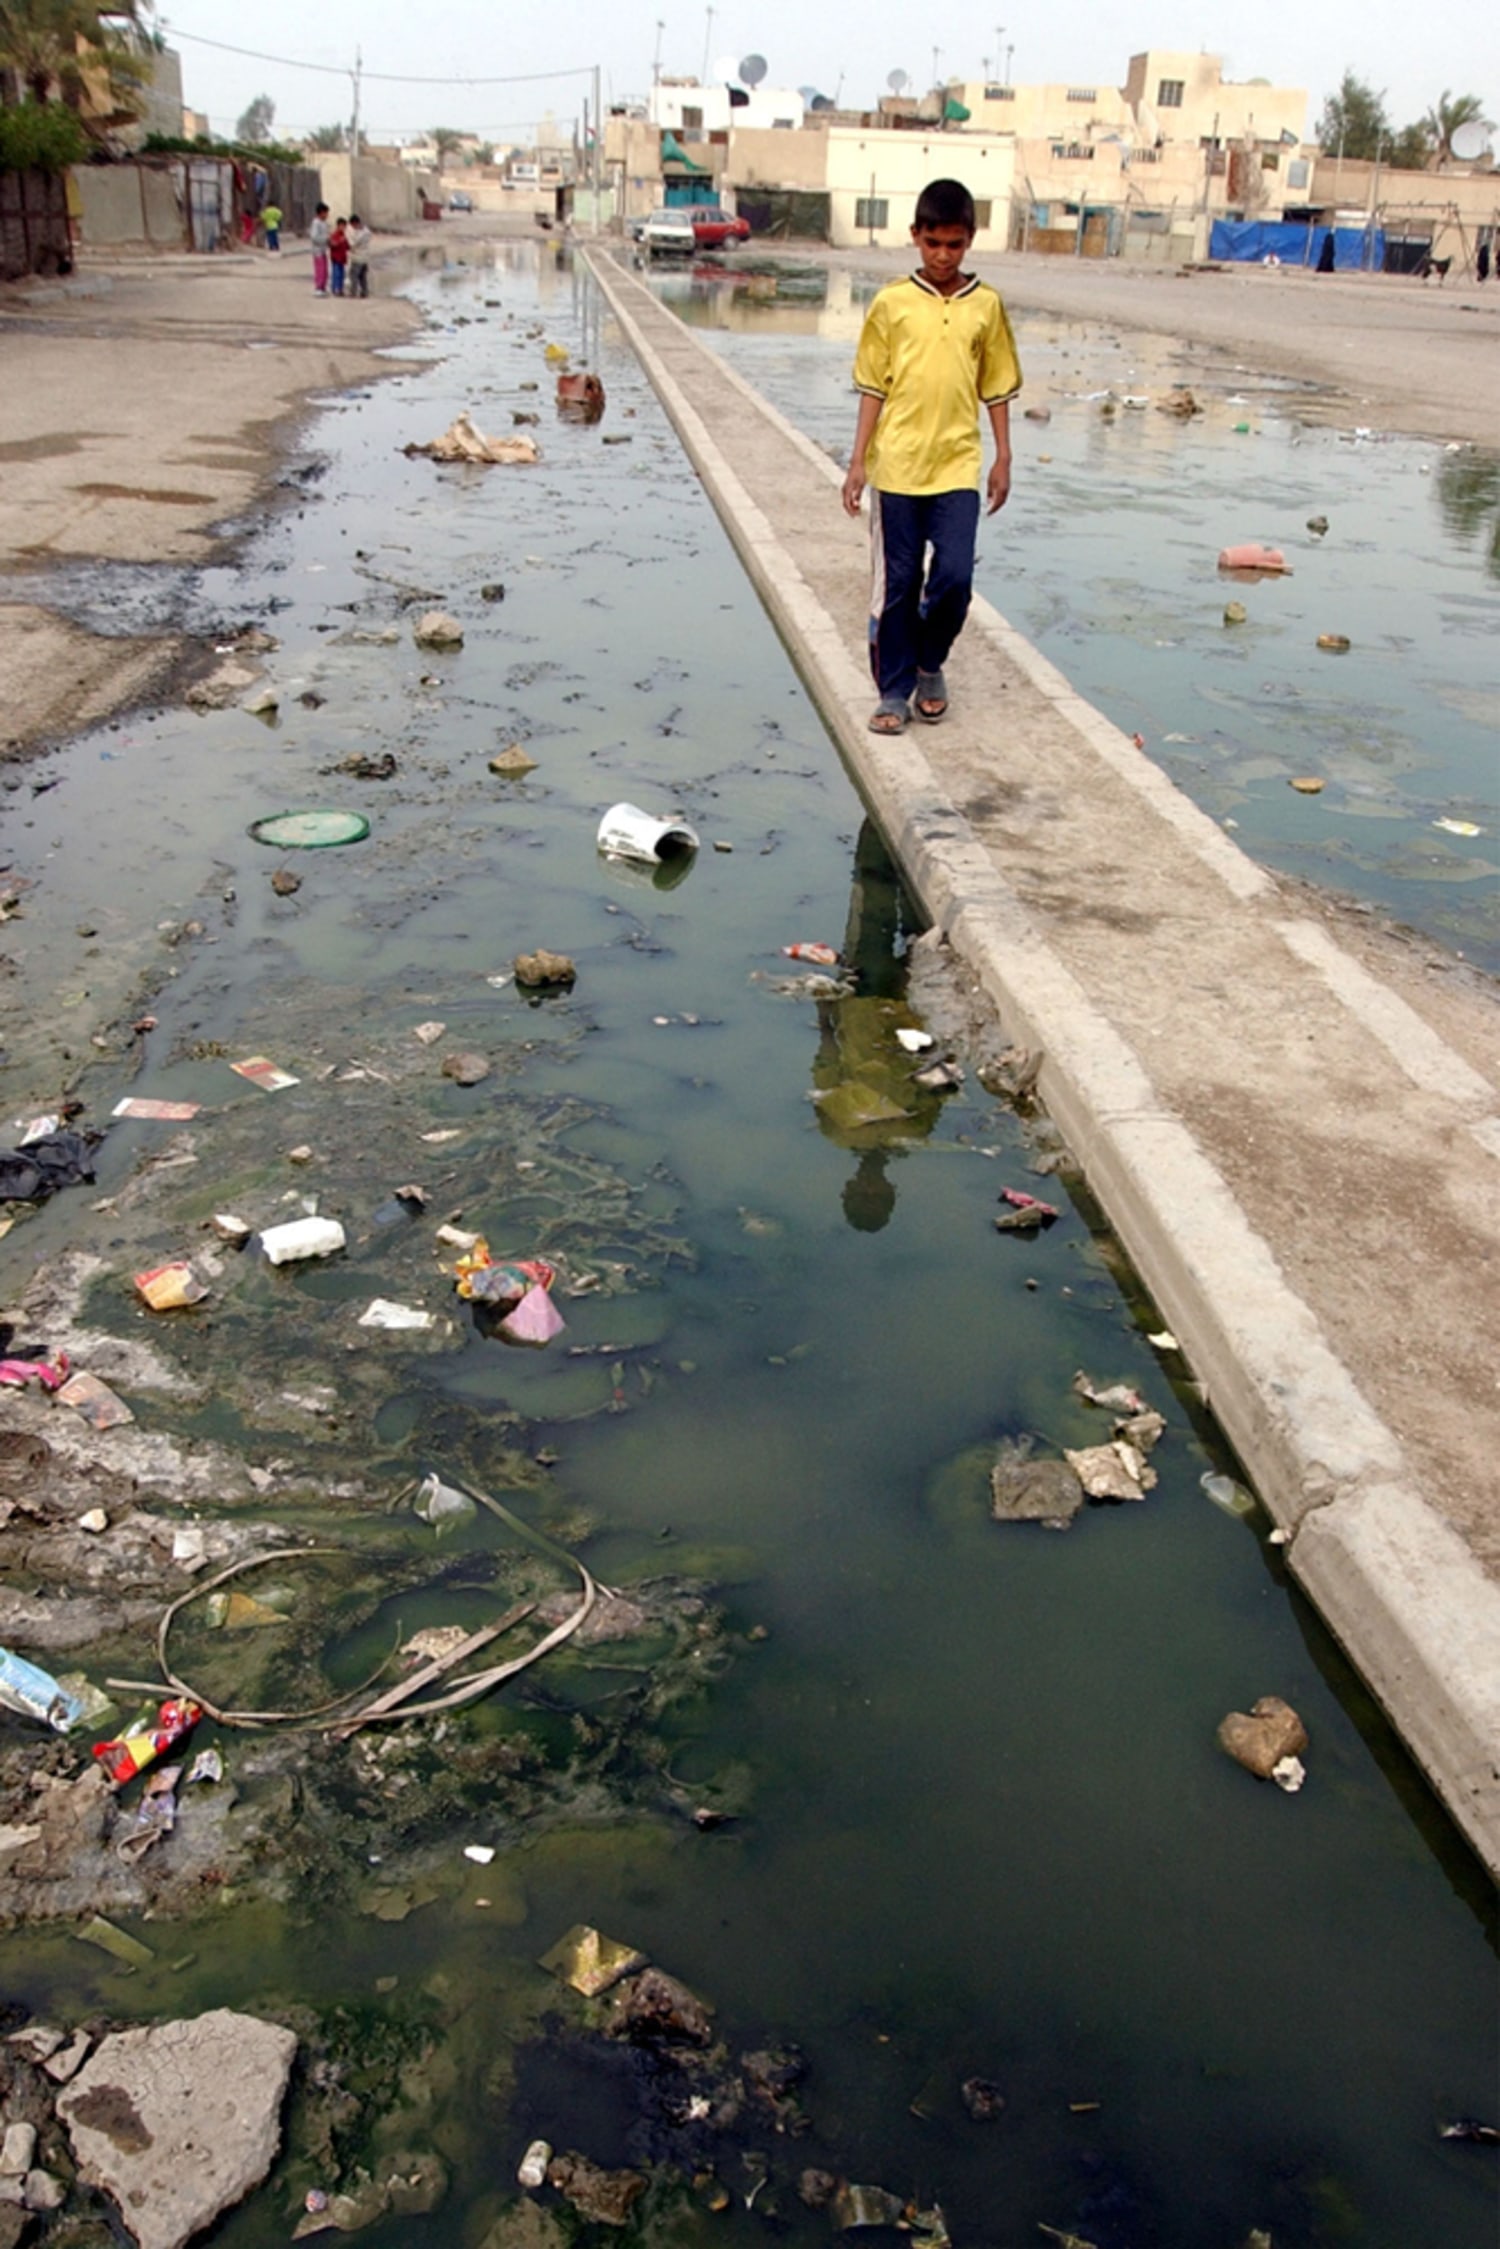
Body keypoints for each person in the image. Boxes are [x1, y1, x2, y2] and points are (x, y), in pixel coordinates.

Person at [842, 177, 1021, 734]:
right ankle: (894, 690)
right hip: (897, 464)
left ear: (970, 240)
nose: (943, 256)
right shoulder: (892, 303)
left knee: (953, 577)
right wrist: (857, 461)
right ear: (915, 236)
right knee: (899, 584)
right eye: (933, 243)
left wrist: (1003, 457)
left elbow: (995, 386)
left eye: (954, 244)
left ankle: (930, 660)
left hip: (955, 466)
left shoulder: (985, 306)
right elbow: (874, 385)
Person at [347, 214, 372, 298]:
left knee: (354, 275)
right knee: (363, 277)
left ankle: (353, 292)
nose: (353, 228)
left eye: (352, 225)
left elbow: (353, 243)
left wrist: (350, 244)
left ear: (355, 223)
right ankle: (364, 292)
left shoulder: (361, 233)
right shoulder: (367, 231)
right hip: (365, 258)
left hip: (357, 258)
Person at [309, 202, 330, 294]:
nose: (327, 215)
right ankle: (318, 287)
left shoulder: (324, 223)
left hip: (323, 250)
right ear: (321, 213)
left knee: (325, 269)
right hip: (317, 250)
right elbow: (314, 237)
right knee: (320, 270)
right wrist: (325, 239)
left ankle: (323, 287)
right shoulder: (316, 223)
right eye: (326, 213)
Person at [328, 217, 349, 297]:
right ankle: (335, 289)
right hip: (336, 258)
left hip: (342, 258)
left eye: (344, 226)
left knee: (342, 275)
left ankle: (340, 289)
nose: (343, 228)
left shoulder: (344, 235)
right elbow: (332, 244)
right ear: (338, 226)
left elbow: (347, 247)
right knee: (336, 274)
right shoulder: (334, 235)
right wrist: (340, 241)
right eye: (342, 226)